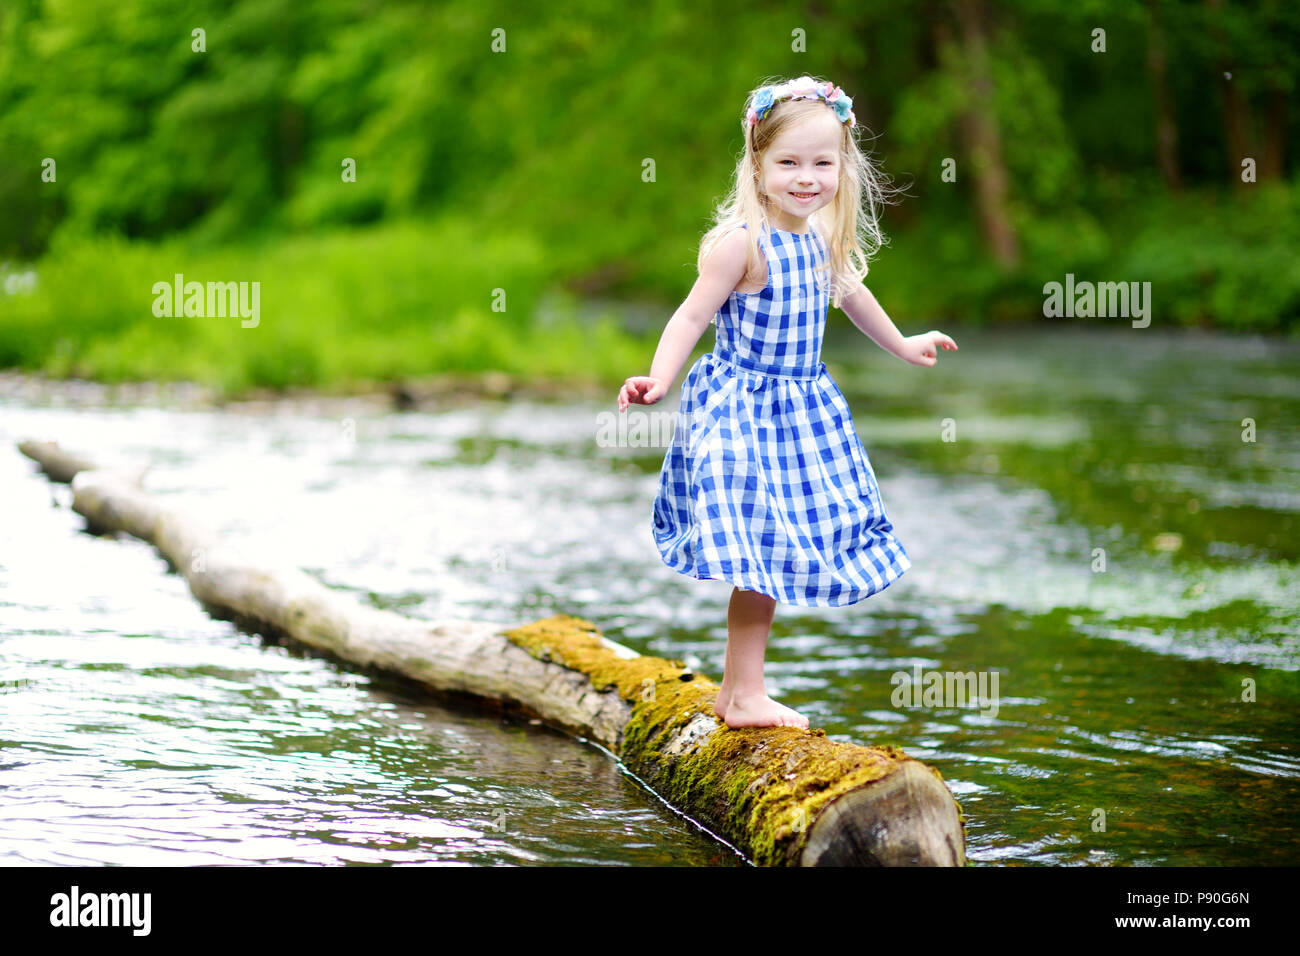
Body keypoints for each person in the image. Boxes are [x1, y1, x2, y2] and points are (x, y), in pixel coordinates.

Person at [617, 75, 957, 730]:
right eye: (790, 163)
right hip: (745, 409)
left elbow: (855, 298)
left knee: (775, 553)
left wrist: (903, 344)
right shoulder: (740, 244)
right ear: (758, 163)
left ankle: (737, 692)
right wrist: (658, 379)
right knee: (760, 550)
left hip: (801, 411)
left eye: (822, 163)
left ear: (842, 166)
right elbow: (691, 318)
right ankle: (744, 693)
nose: (807, 178)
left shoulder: (824, 240)